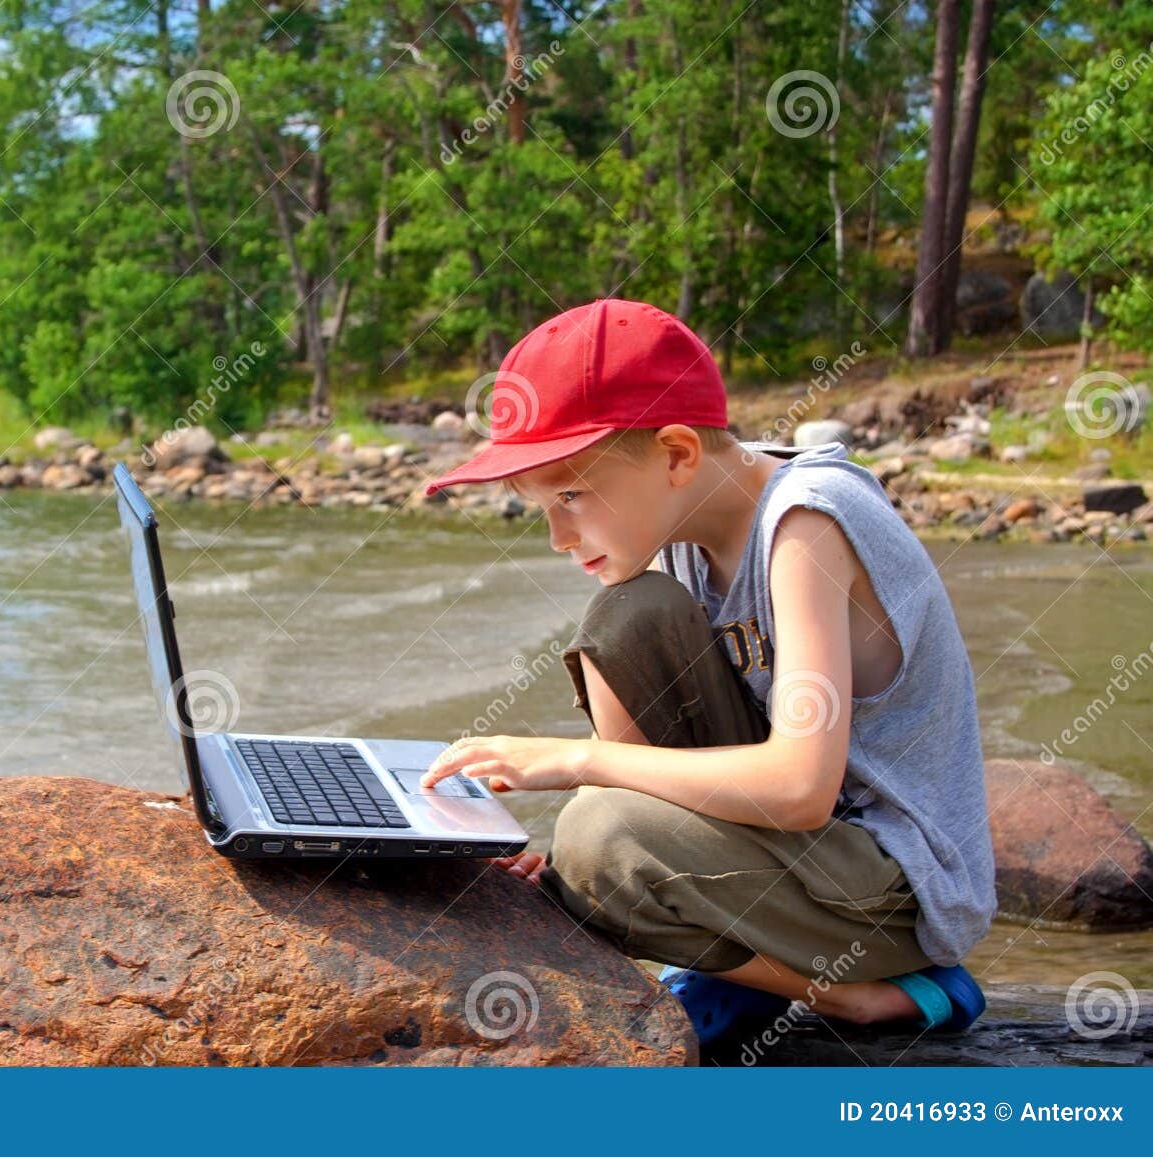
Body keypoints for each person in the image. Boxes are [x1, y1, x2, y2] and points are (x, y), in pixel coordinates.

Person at [419, 298, 995, 1048]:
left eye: (570, 496)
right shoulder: (689, 520)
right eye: (541, 507)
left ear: (679, 454)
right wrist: (558, 872)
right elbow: (647, 760)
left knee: (600, 830)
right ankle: (714, 955)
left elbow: (799, 786)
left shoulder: (807, 522)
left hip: (891, 891)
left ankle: (858, 994)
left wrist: (576, 768)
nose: (559, 536)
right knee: (628, 618)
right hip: (797, 866)